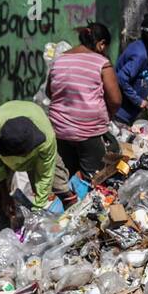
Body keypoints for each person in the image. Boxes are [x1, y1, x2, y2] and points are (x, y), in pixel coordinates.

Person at [0, 100, 73, 230]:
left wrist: (37, 210)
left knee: (59, 184)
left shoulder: (45, 138)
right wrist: (5, 195)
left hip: (39, 145)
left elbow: (45, 176)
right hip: (4, 144)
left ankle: (74, 221)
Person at [46, 22, 121, 179]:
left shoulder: (59, 60)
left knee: (64, 177)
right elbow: (115, 100)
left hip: (60, 131)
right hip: (89, 132)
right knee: (95, 179)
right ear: (101, 44)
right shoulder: (101, 63)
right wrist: (109, 115)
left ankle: (67, 202)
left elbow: (49, 92)